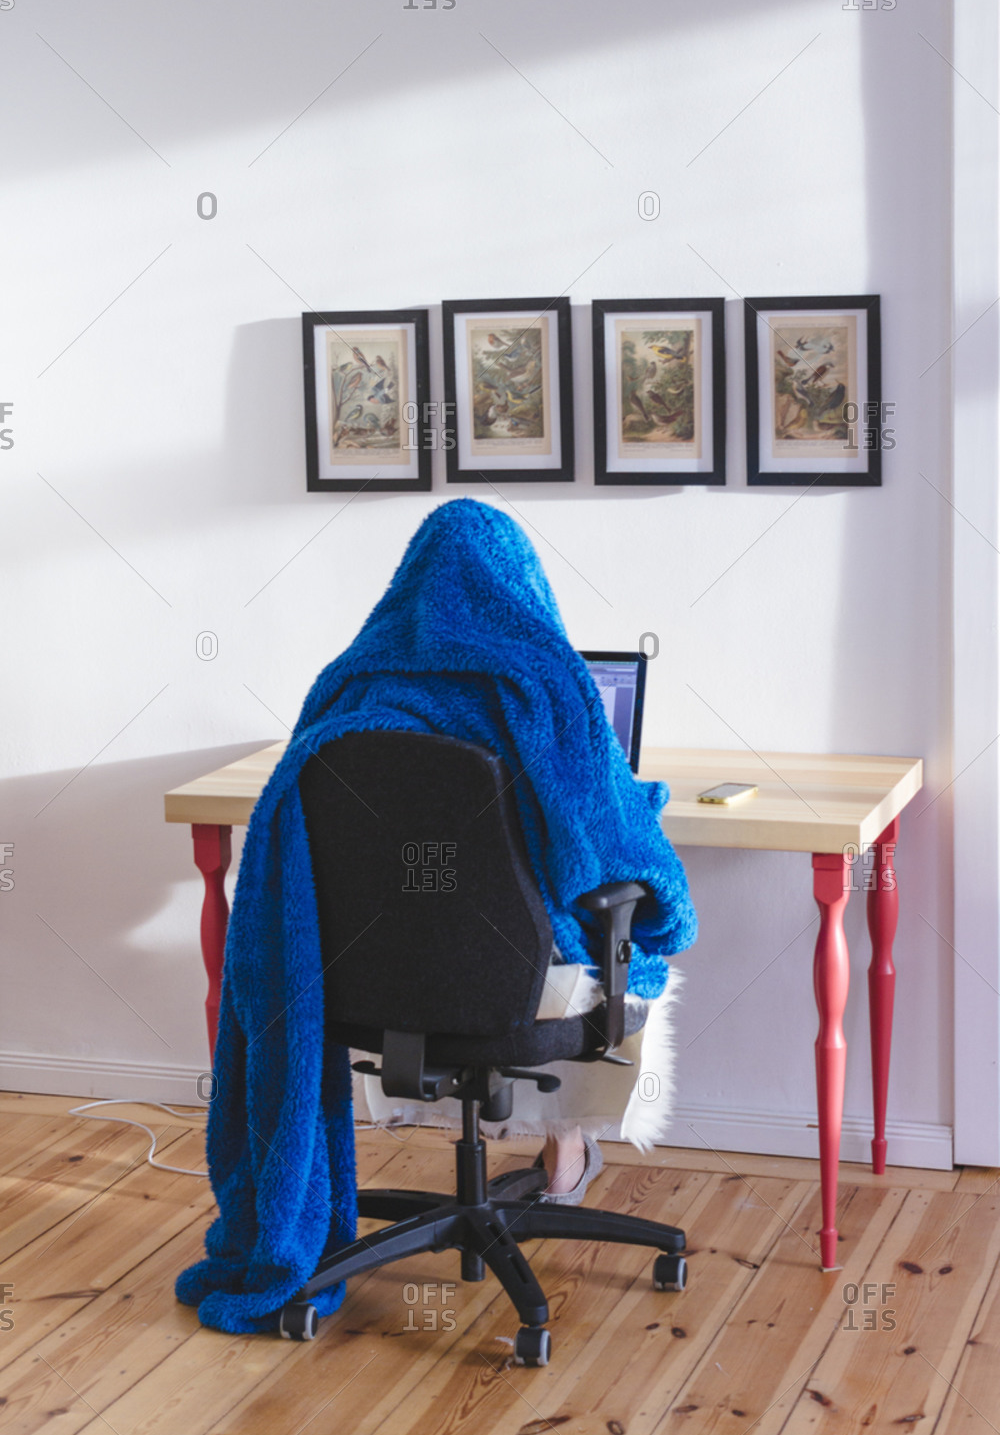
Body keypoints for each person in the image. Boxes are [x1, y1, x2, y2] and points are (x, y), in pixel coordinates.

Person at [177, 497, 696, 1333]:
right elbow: (615, 852)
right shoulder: (550, 686)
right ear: (519, 587)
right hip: (511, 988)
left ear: (407, 585)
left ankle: (556, 1156)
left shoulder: (346, 690)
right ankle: (570, 1154)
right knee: (626, 937)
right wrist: (657, 856)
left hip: (362, 989)